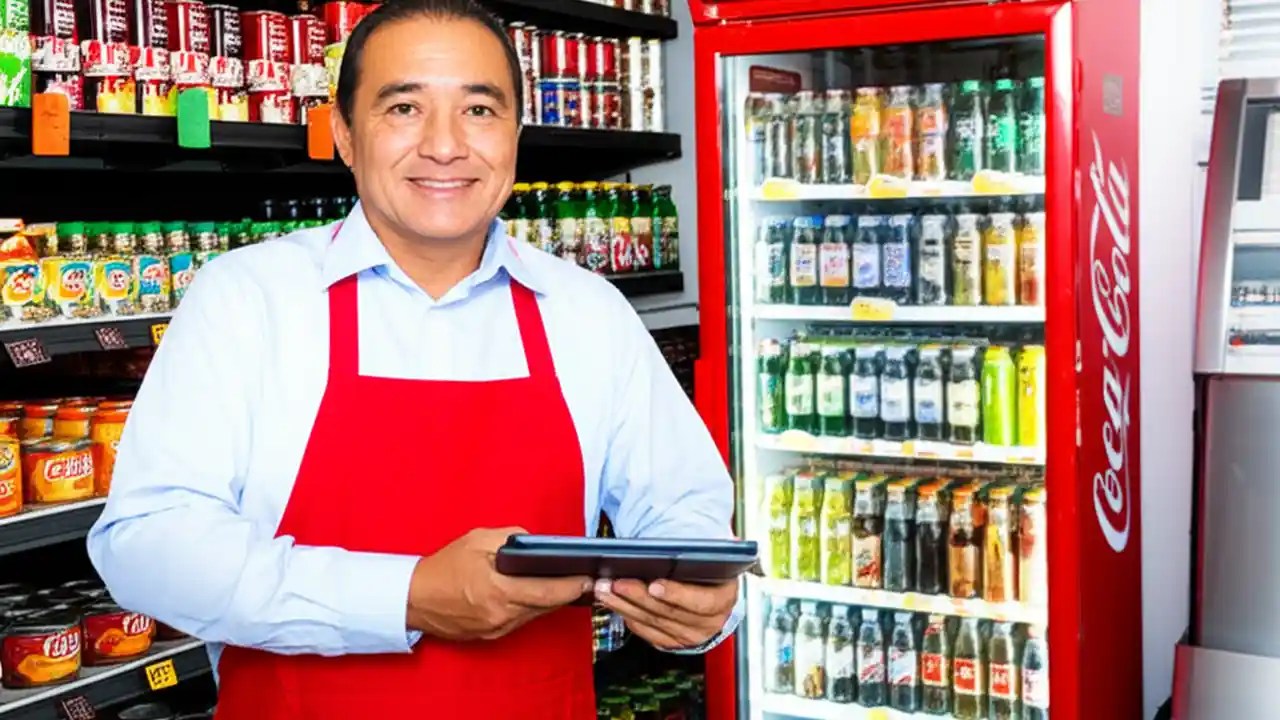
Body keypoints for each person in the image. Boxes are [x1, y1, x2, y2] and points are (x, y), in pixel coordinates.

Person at [85, 1, 739, 717]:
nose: (445, 145)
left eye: (480, 111)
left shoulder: (587, 312)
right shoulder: (248, 299)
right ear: (342, 133)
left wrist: (700, 603)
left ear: (517, 133)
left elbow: (686, 513)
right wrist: (407, 596)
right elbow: (148, 546)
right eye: (403, 107)